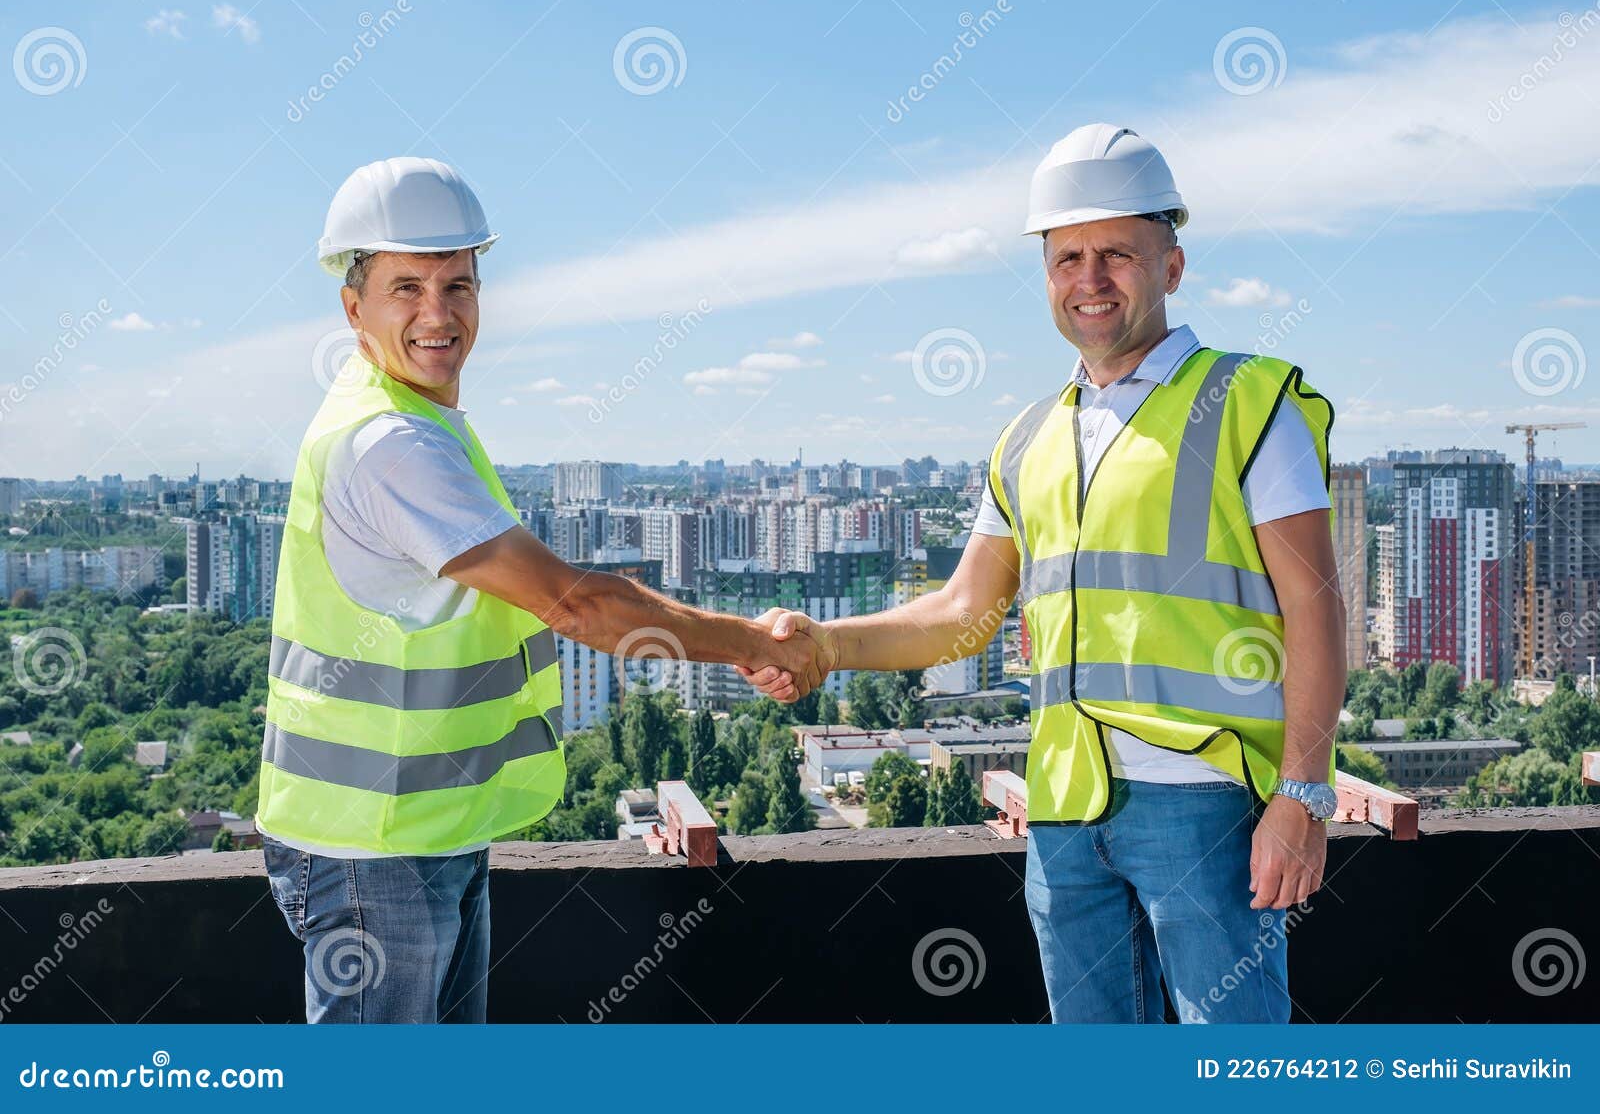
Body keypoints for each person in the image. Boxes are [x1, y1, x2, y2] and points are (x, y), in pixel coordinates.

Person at [746, 124, 1344, 1023]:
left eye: (1116, 253)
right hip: (1065, 813)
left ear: (1172, 265)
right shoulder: (1027, 439)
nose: (1089, 279)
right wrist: (825, 644)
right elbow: (961, 614)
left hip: (1207, 804)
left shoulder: (1248, 402)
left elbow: (1317, 608)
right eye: (1067, 256)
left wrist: (1303, 793)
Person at [258, 156, 825, 1023]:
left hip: (420, 834)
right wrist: (750, 644)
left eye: (458, 284)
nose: (438, 313)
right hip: (371, 854)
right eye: (406, 287)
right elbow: (577, 605)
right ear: (353, 306)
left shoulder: (414, 421)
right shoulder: (389, 445)